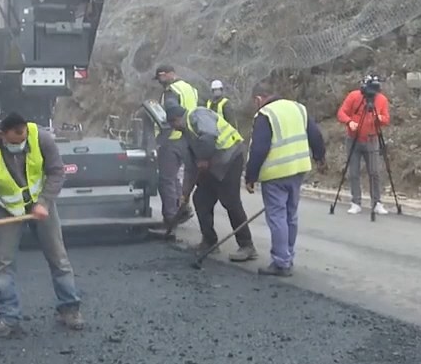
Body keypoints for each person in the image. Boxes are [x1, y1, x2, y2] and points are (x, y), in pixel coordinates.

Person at [0, 112, 84, 338]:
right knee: (5, 264)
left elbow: (56, 172)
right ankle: (9, 318)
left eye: (22, 139)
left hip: (41, 208)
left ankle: (69, 309)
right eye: (15, 142)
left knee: (58, 258)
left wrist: (44, 202)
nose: (20, 144)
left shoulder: (41, 138)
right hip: (9, 210)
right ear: (2, 135)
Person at [244, 83, 327, 277]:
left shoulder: (265, 115)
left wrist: (251, 176)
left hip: (275, 173)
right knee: (291, 215)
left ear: (258, 99)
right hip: (298, 169)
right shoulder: (298, 107)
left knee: (277, 216)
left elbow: (259, 148)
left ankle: (281, 262)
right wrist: (320, 158)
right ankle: (288, 255)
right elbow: (315, 135)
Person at [167, 104, 257, 262]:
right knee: (201, 199)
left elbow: (209, 137)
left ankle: (247, 246)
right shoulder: (187, 137)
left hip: (230, 158)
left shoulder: (198, 115)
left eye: (173, 125)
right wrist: (185, 194)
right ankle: (209, 241)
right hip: (213, 164)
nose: (174, 129)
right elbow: (190, 169)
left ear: (177, 119)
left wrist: (203, 158)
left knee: (230, 201)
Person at [150, 64, 199, 238]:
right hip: (187, 137)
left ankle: (170, 219)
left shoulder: (171, 91)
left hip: (172, 138)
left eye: (161, 77)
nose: (160, 82)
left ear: (170, 74)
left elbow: (170, 112)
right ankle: (182, 209)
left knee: (166, 179)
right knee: (176, 178)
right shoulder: (190, 89)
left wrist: (161, 137)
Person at [336, 74, 391, 216]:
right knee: (353, 172)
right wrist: (349, 122)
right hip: (353, 138)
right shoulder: (354, 96)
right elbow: (341, 112)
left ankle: (377, 202)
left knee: (374, 172)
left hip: (372, 139)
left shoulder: (382, 100)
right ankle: (356, 202)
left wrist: (380, 118)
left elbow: (386, 119)